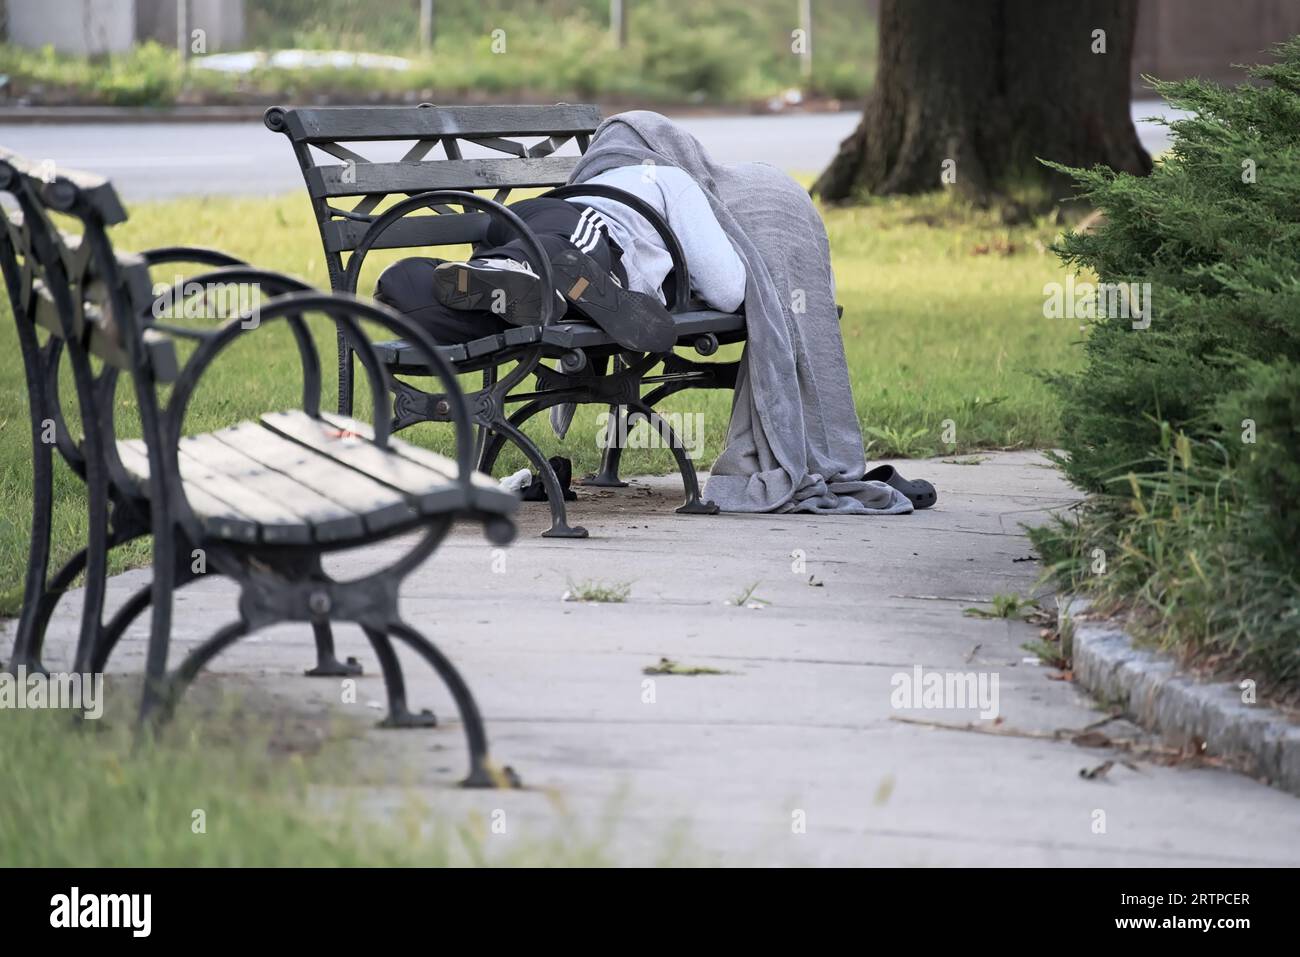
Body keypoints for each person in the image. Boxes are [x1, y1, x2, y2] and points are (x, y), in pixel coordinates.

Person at [374, 163, 746, 353]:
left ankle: (530, 293)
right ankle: (519, 275)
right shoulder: (674, 177)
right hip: (581, 229)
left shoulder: (616, 171)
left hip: (522, 223)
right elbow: (726, 290)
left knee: (402, 290)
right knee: (562, 253)